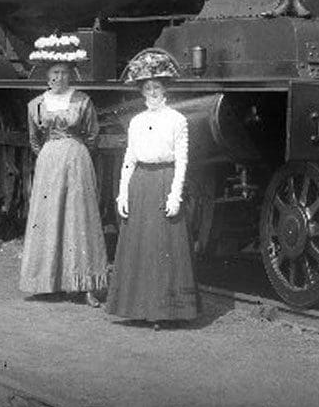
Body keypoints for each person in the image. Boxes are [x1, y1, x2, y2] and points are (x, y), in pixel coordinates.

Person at [106, 49, 200, 326]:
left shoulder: (177, 120)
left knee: (163, 247)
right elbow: (129, 159)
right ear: (142, 92)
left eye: (156, 87)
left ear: (164, 88)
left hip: (163, 181)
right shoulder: (136, 121)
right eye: (147, 88)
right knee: (139, 247)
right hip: (141, 185)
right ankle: (137, 308)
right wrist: (122, 192)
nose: (152, 92)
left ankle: (165, 311)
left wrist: (175, 194)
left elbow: (182, 161)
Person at [18, 34, 109, 306]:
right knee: (48, 218)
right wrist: (52, 153)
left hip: (77, 160)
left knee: (79, 218)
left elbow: (92, 135)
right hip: (49, 161)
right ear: (47, 77)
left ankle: (86, 284)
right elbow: (34, 139)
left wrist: (73, 151)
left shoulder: (83, 101)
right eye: (55, 73)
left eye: (64, 73)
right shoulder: (35, 104)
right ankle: (47, 282)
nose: (59, 78)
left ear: (71, 76)